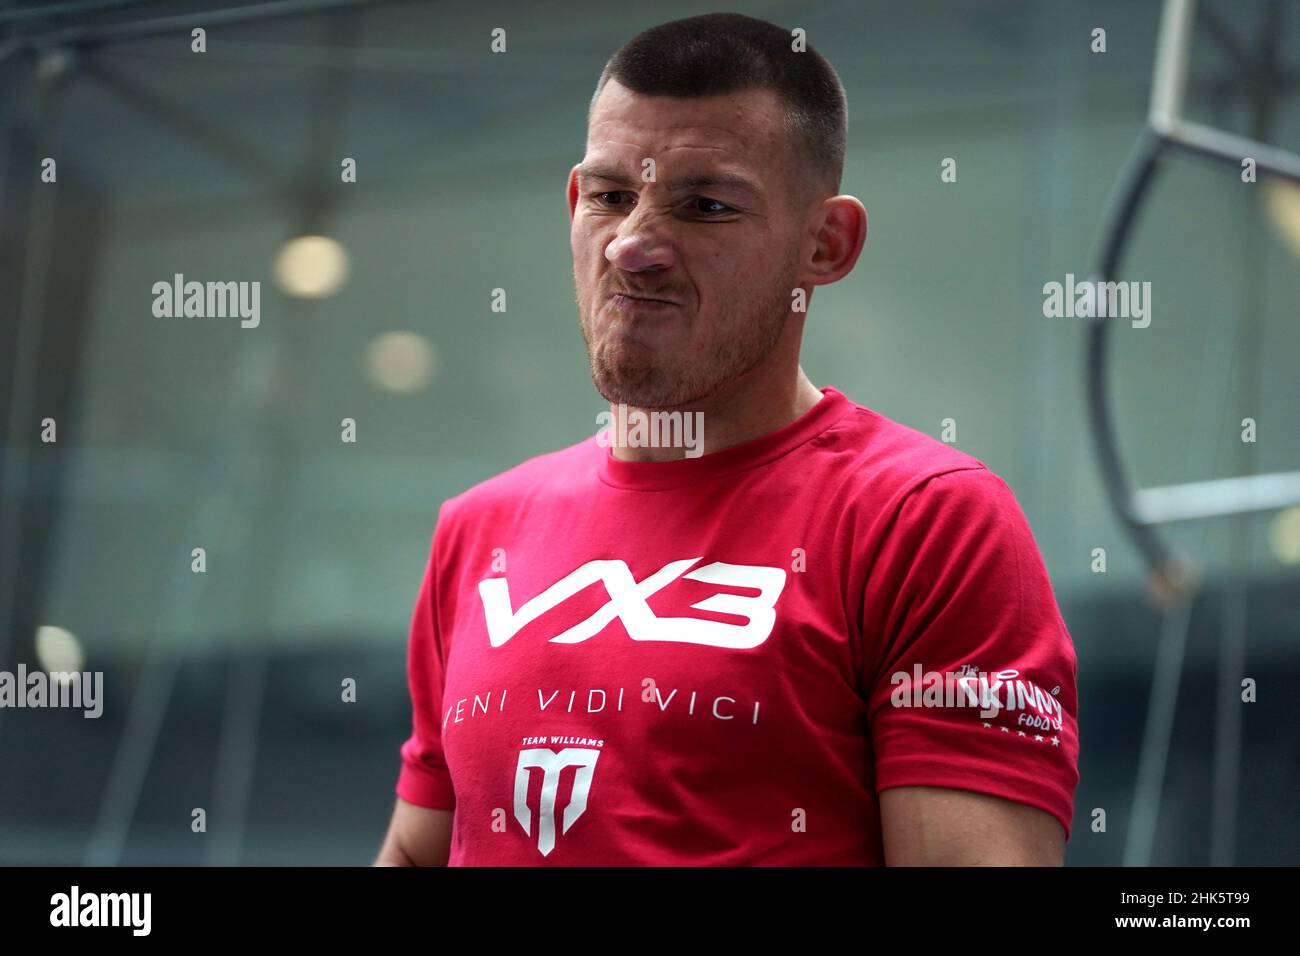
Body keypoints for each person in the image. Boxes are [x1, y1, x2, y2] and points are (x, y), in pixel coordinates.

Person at [374, 12, 1078, 866]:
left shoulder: (925, 522)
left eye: (705, 206)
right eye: (609, 197)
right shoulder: (480, 529)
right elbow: (417, 850)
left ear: (826, 244)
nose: (633, 246)